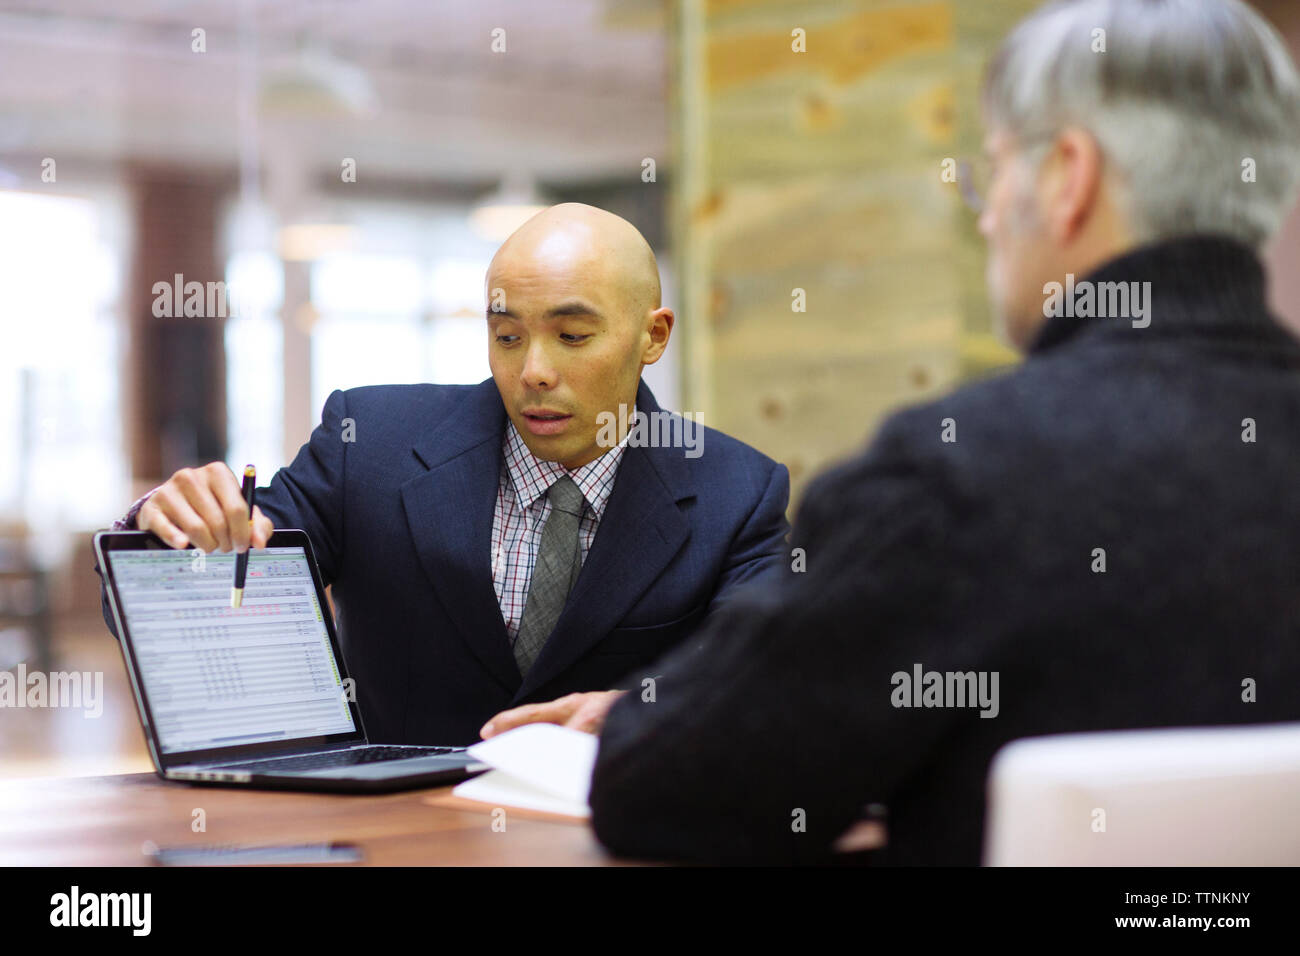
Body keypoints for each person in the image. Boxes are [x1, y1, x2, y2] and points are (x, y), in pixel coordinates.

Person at [497, 0, 1300, 864]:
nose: (986, 218)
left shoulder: (961, 479)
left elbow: (664, 792)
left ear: (1068, 178)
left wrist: (672, 713)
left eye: (989, 176)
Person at [94, 203, 790, 746]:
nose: (534, 370)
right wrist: (173, 528)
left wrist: (651, 712)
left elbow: (767, 682)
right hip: (387, 839)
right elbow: (220, 568)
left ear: (653, 336)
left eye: (572, 337)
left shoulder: (735, 491)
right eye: (506, 335)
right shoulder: (368, 444)